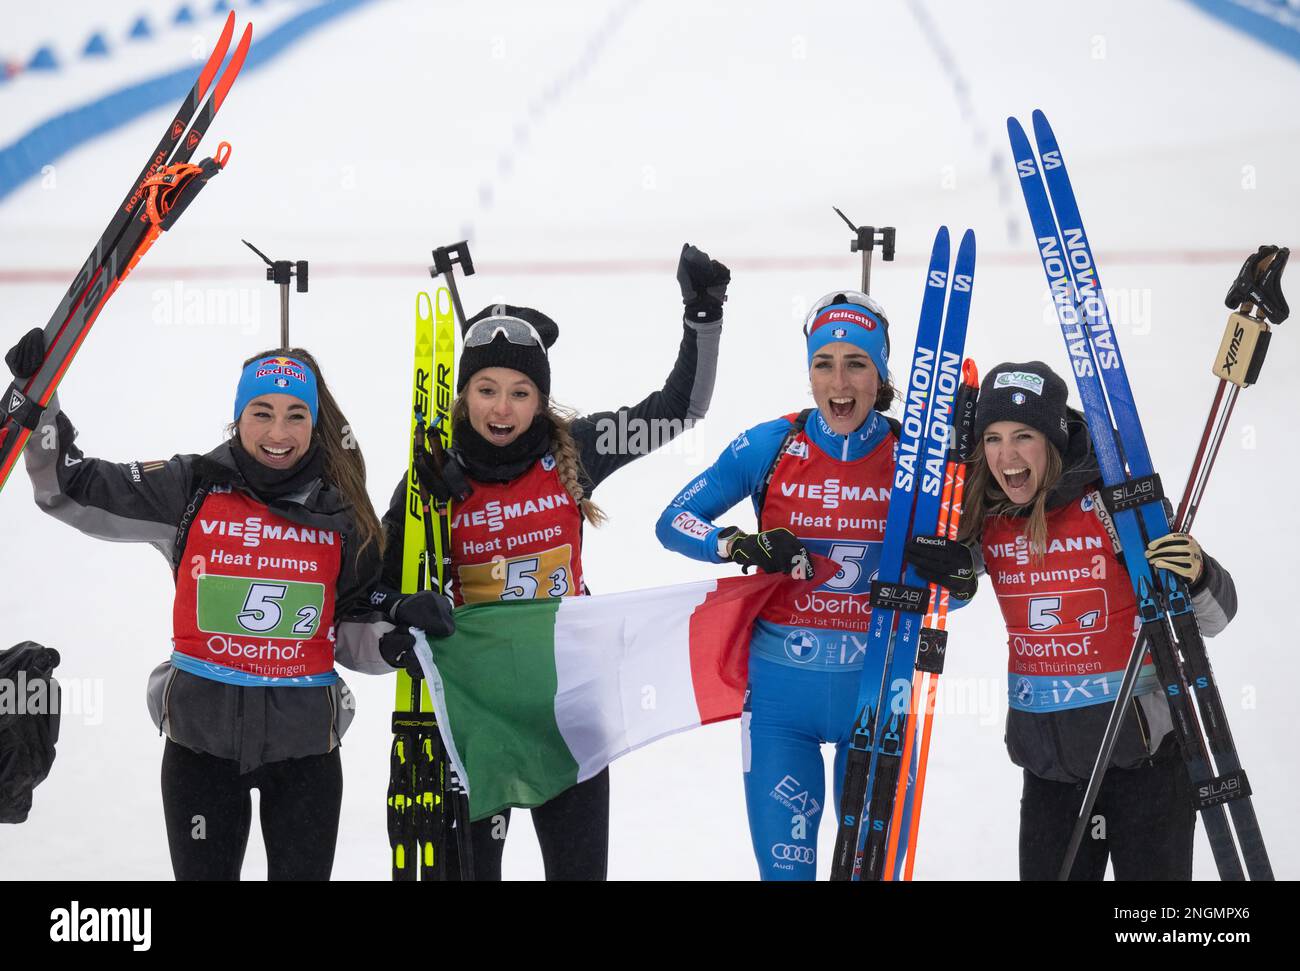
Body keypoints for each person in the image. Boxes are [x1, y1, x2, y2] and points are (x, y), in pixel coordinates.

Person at [6, 332, 445, 880]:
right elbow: (71, 488)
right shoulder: (190, 488)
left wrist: (391, 643)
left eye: (295, 416)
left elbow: (349, 626)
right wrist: (38, 402)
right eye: (261, 413)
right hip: (200, 749)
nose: (278, 433)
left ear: (315, 424)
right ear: (238, 418)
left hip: (306, 755)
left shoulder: (342, 515)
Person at [376, 242, 731, 881]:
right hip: (474, 715)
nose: (501, 408)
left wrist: (701, 314)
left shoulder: (580, 448)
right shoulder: (428, 477)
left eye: (519, 392)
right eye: (485, 390)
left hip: (569, 706)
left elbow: (681, 409)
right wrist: (399, 619)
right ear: (463, 395)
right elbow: (371, 590)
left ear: (541, 399)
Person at [656, 289, 967, 880]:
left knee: (866, 874)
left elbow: (962, 581)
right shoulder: (771, 445)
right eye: (824, 364)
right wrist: (739, 545)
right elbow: (673, 520)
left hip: (877, 693)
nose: (839, 382)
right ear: (809, 372)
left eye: (857, 363)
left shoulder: (914, 458)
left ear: (881, 373)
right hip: (779, 703)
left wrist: (957, 572)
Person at [903, 360, 1237, 880]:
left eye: (1023, 436)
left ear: (1053, 440)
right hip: (1050, 773)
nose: (1006, 456)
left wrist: (1196, 574)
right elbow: (954, 583)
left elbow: (1213, 619)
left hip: (1145, 767)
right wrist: (946, 569)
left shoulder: (1112, 501)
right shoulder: (987, 510)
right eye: (992, 438)